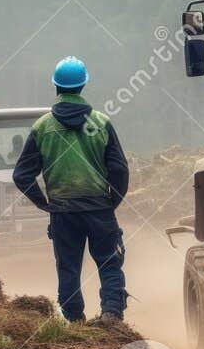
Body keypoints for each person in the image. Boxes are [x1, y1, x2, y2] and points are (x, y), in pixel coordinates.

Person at [12, 56, 130, 323]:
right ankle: (112, 311)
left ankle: (75, 320)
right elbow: (119, 169)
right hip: (99, 208)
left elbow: (21, 175)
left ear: (56, 87)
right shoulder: (101, 122)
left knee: (68, 268)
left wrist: (44, 203)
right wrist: (112, 202)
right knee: (109, 262)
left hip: (63, 212)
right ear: (83, 85)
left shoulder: (42, 127)